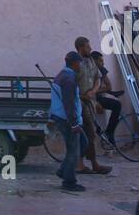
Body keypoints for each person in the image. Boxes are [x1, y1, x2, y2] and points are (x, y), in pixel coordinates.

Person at [73, 37, 112, 174]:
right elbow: (71, 85)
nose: (90, 49)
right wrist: (83, 95)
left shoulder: (90, 61)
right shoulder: (75, 63)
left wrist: (94, 92)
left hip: (90, 101)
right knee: (87, 132)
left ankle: (90, 163)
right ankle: (85, 163)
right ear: (80, 47)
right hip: (79, 102)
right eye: (87, 47)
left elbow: (97, 78)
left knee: (89, 133)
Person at [49, 52, 86, 193]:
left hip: (62, 117)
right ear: (74, 63)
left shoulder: (62, 75)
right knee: (73, 151)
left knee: (83, 143)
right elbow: (69, 103)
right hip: (67, 119)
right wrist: (74, 123)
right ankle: (69, 182)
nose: (81, 66)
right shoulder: (69, 78)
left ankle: (63, 170)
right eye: (80, 63)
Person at [92, 50, 123, 145]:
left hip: (96, 97)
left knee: (117, 105)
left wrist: (95, 90)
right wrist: (96, 90)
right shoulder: (89, 70)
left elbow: (109, 86)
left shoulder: (102, 70)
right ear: (94, 61)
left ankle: (109, 131)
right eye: (100, 61)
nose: (103, 63)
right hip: (89, 99)